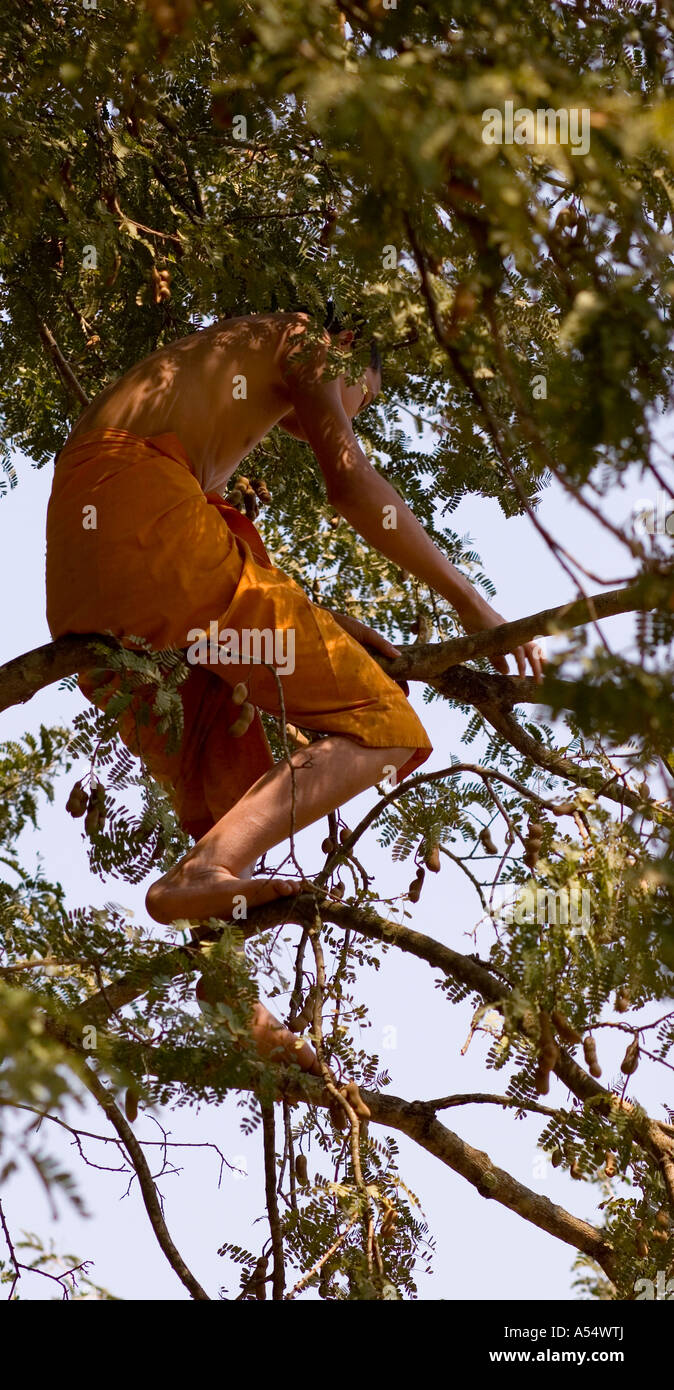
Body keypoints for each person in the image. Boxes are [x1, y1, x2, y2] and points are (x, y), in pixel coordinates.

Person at [45, 310, 545, 1071]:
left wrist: (329, 624)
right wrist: (468, 599)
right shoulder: (300, 336)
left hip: (90, 578)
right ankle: (203, 874)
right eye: (358, 398)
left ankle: (227, 986)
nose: (346, 415)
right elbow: (349, 481)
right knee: (387, 724)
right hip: (147, 521)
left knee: (229, 742)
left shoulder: (213, 388)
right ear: (345, 348)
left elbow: (202, 576)